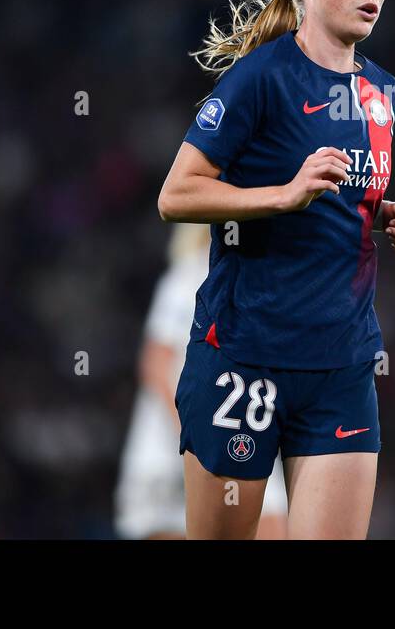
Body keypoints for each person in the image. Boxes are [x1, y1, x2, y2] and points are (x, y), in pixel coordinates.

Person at [156, 0, 395, 539]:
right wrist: (282, 194)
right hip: (244, 359)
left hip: (342, 364)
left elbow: (346, 199)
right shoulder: (260, 79)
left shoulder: (384, 92)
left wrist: (389, 215)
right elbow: (177, 194)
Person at [114, 223, 288, 539]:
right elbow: (155, 364)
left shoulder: (268, 286)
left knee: (272, 524)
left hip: (244, 436)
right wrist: (194, 435)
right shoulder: (188, 278)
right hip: (171, 450)